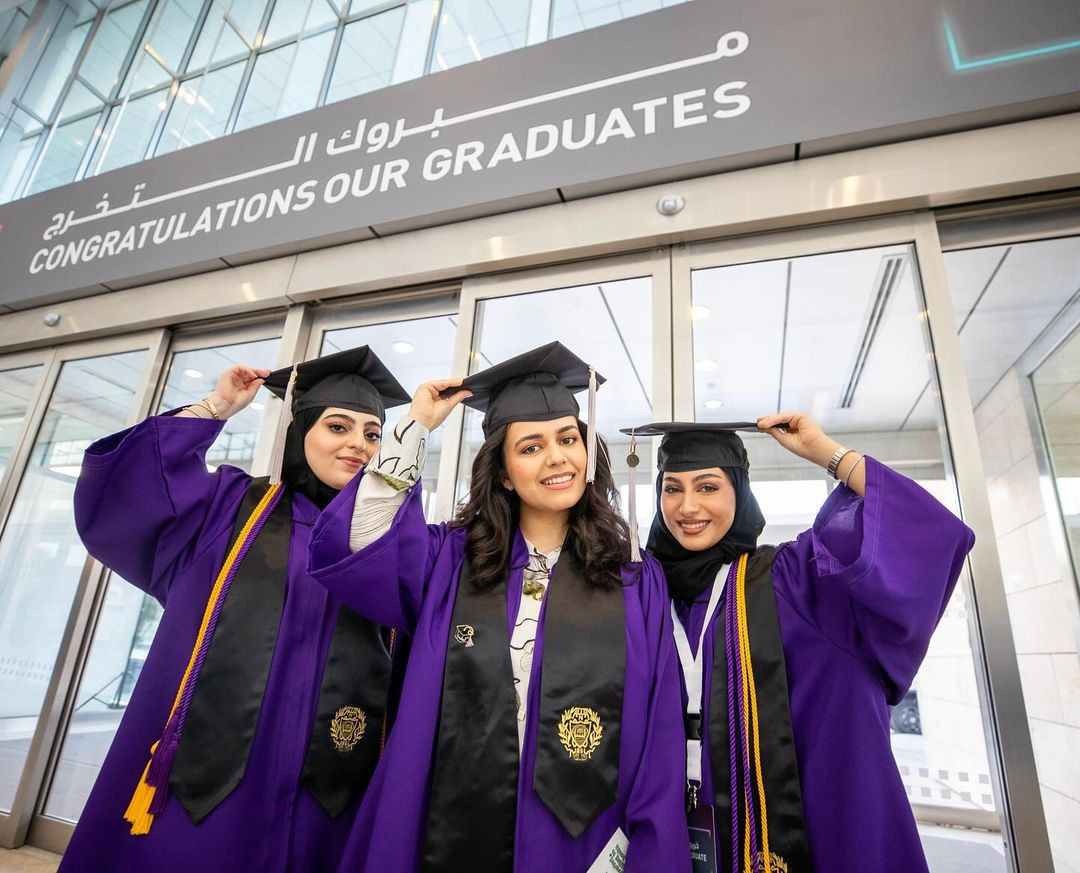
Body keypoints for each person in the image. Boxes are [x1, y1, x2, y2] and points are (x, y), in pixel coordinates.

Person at [308, 342, 689, 873]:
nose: (557, 457)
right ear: (505, 473)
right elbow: (358, 539)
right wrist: (415, 426)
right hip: (447, 822)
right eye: (531, 447)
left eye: (568, 439)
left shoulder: (632, 574)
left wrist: (643, 844)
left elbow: (659, 726)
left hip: (586, 839)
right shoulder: (449, 559)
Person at [61, 346, 410, 873]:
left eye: (371, 433)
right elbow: (126, 492)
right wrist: (216, 407)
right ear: (300, 433)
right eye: (338, 426)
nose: (357, 444)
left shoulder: (385, 542)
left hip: (329, 787)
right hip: (209, 781)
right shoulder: (228, 508)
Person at [620, 414, 976, 873]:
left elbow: (928, 529)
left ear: (739, 491)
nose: (687, 507)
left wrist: (824, 451)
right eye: (673, 488)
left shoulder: (795, 579)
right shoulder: (648, 595)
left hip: (803, 827)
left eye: (708, 487)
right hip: (678, 829)